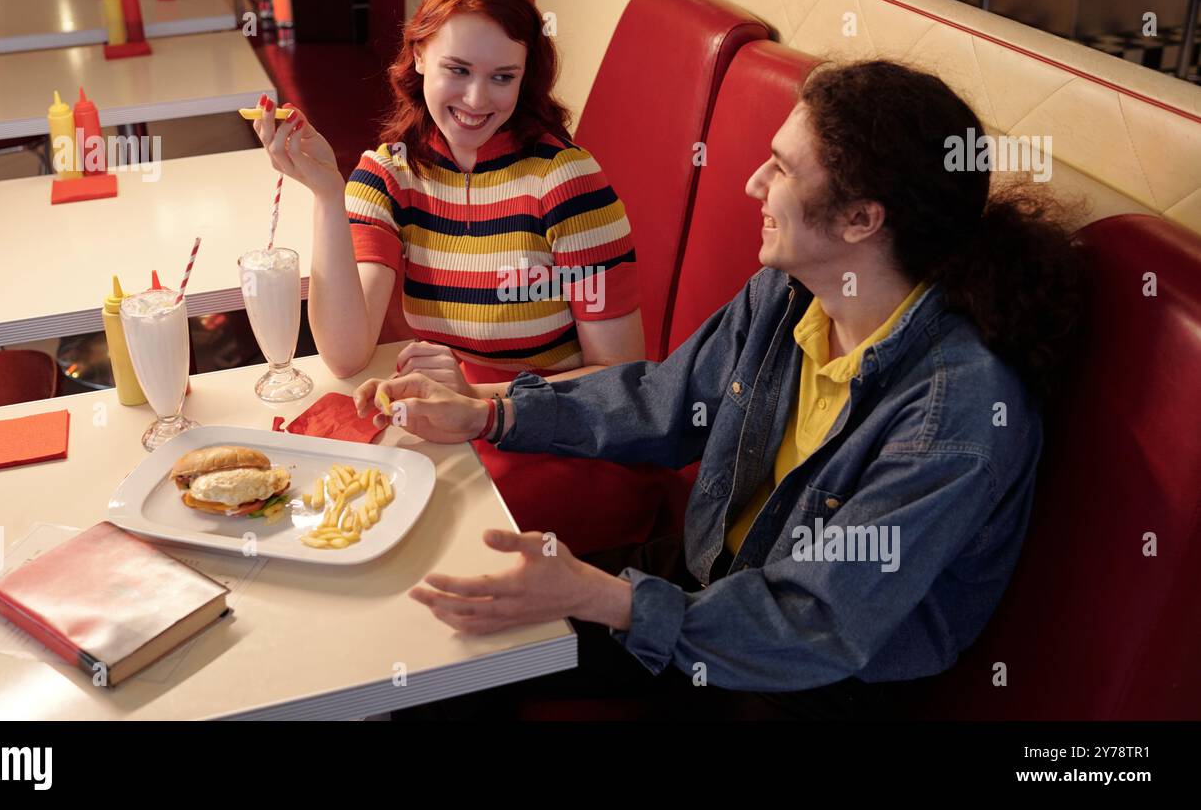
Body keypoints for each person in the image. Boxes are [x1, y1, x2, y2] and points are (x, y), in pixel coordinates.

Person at [356, 59, 1086, 719]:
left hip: (815, 685)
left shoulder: (955, 415)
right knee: (446, 649)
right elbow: (665, 399)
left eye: (781, 170)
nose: (753, 186)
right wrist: (491, 411)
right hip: (712, 579)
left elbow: (815, 623)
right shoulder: (789, 291)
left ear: (863, 220)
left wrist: (600, 597)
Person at [252, 0, 681, 554]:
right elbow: (347, 352)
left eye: (503, 77)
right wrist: (327, 195)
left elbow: (619, 380)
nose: (478, 100)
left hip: (564, 441)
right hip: (452, 430)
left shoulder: (567, 180)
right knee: (328, 514)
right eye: (458, 70)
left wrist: (481, 403)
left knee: (403, 533)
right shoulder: (388, 174)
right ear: (420, 54)